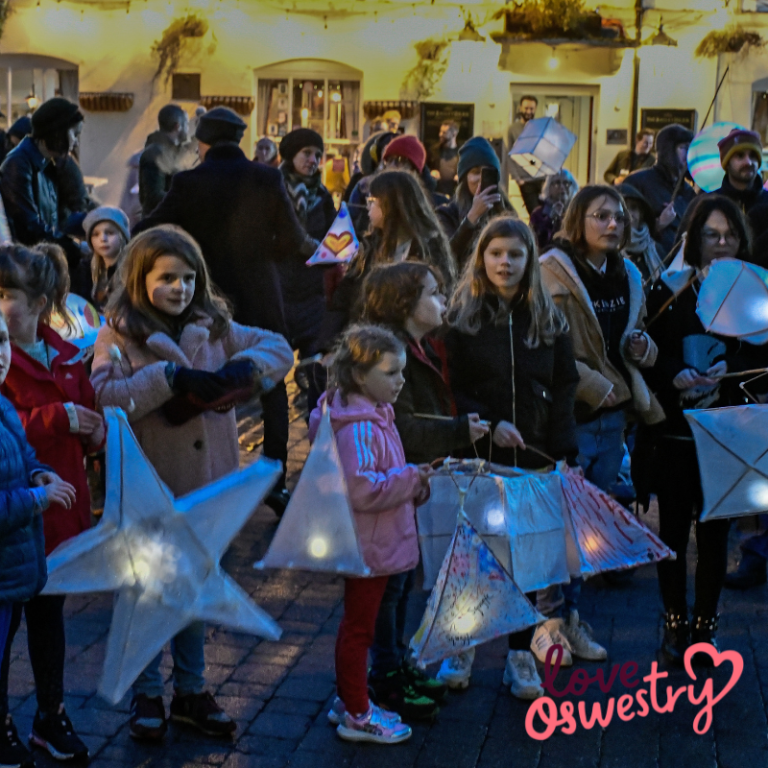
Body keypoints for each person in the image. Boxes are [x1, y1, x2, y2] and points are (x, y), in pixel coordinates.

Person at [90, 225, 294, 741]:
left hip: (208, 489)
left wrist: (241, 370)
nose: (179, 289)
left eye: (187, 278)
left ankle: (191, 690)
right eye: (166, 279)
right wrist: (169, 380)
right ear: (141, 280)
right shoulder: (117, 333)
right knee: (147, 593)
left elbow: (278, 347)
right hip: (150, 488)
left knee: (192, 592)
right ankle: (147, 695)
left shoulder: (214, 326)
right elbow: (105, 396)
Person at [133, 106, 317, 516]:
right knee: (271, 383)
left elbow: (150, 228)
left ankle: (209, 475)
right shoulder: (267, 177)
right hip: (261, 294)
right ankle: (274, 478)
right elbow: (291, 240)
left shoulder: (188, 181)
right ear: (240, 140)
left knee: (207, 380)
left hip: (206, 297)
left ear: (202, 142)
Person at [445, 215, 579, 697]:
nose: (505, 262)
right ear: (481, 258)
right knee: (475, 556)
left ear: (529, 260)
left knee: (526, 560)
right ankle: (462, 644)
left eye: (516, 254)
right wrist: (485, 422)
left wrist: (563, 449)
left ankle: (520, 655)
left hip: (535, 457)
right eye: (496, 253)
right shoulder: (462, 319)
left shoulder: (548, 318)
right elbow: (453, 387)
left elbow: (564, 385)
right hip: (479, 455)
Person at [540, 186, 664, 653]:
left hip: (615, 420)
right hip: (571, 415)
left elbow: (640, 339)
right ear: (578, 221)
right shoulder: (552, 272)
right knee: (560, 524)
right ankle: (549, 625)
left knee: (588, 525)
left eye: (618, 218)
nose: (613, 225)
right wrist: (592, 384)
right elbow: (549, 342)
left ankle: (572, 618)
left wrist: (642, 349)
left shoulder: (629, 273)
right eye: (601, 216)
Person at [361, 262, 486, 712]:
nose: (442, 300)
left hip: (410, 482)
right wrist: (458, 431)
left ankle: (397, 664)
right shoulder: (393, 353)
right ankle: (387, 674)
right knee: (391, 587)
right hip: (396, 483)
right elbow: (404, 426)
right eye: (433, 293)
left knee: (401, 582)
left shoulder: (420, 345)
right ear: (404, 304)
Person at [0, 242, 102, 763]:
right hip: (14, 523)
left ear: (40, 302)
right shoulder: (2, 361)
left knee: (48, 622)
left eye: (6, 294)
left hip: (59, 516)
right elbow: (13, 429)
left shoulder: (63, 353)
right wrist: (59, 418)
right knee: (4, 626)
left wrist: (98, 432)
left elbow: (86, 410)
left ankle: (50, 713)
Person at [642, 195, 752, 665]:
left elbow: (761, 360)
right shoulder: (668, 290)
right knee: (670, 533)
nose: (722, 242)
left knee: (714, 536)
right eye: (712, 234)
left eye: (729, 235)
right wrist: (672, 373)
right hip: (674, 434)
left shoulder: (752, 294)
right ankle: (674, 622)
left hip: (727, 434)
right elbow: (647, 352)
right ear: (695, 238)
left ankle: (706, 628)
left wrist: (738, 361)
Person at [312, 324, 429, 745]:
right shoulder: (360, 426)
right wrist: (410, 478)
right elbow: (363, 487)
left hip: (372, 540)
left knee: (357, 625)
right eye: (391, 373)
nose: (401, 381)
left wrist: (409, 482)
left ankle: (351, 698)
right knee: (360, 627)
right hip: (369, 545)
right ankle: (359, 713)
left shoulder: (373, 414)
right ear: (361, 376)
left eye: (401, 372)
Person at [0, 310, 75, 768]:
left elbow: (23, 453)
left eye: (3, 341)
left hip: (14, 566)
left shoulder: (3, 404)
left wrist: (37, 471)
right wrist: (35, 498)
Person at [321, 169, 456, 350]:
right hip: (369, 346)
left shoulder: (429, 248)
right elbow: (346, 299)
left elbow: (440, 303)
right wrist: (330, 346)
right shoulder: (370, 246)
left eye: (373, 201)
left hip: (416, 347)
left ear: (392, 205)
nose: (368, 206)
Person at [276, 128, 336, 408]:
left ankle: (318, 436)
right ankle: (275, 446)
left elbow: (334, 240)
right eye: (307, 153)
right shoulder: (274, 190)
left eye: (318, 155)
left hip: (312, 294)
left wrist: (337, 248)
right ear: (291, 154)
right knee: (274, 370)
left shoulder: (322, 195)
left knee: (316, 369)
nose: (314, 160)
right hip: (279, 292)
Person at [0, 98, 87, 273]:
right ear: (57, 132)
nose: (76, 142)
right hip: (25, 266)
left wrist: (94, 223)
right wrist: (74, 249)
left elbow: (58, 217)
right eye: (74, 134)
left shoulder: (47, 162)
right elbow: (28, 226)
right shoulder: (19, 163)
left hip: (39, 261)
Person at [436, 136, 516, 269]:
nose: (481, 179)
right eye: (476, 172)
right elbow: (446, 258)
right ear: (464, 178)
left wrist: (502, 216)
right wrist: (472, 218)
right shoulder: (447, 214)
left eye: (487, 173)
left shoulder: (506, 211)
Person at [349, 134, 446, 234]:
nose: (393, 166)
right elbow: (348, 223)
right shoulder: (366, 189)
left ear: (414, 170)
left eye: (400, 160)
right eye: (389, 160)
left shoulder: (433, 203)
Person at [626, 123, 695, 256]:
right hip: (647, 267)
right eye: (683, 148)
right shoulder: (638, 182)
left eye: (690, 148)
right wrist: (658, 224)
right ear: (668, 150)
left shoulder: (688, 192)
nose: (688, 153)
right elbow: (624, 231)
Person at [712, 128, 768, 239]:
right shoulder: (710, 202)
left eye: (753, 156)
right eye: (740, 156)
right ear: (727, 163)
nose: (748, 162)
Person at [73, 205, 131, 310]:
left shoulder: (133, 267)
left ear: (122, 236)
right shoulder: (86, 269)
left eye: (110, 233)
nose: (103, 239)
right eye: (95, 234)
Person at [139, 104, 189, 217]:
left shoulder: (170, 152)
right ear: (178, 126)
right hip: (158, 224)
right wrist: (187, 198)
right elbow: (154, 196)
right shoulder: (156, 153)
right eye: (186, 124)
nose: (188, 128)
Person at [616, 183, 664, 290]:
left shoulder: (657, 250)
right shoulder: (603, 252)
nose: (629, 214)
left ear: (642, 214)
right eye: (623, 208)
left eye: (633, 208)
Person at [507, 95, 544, 215]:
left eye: (531, 109)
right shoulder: (512, 129)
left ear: (535, 109)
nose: (529, 111)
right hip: (525, 180)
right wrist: (518, 178)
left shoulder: (540, 127)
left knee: (545, 213)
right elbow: (509, 155)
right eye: (526, 108)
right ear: (520, 108)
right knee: (534, 213)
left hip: (543, 179)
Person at [529, 169, 579, 251]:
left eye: (566, 183)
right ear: (549, 187)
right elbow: (535, 241)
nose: (562, 187)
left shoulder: (578, 212)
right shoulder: (539, 213)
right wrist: (551, 219)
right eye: (557, 183)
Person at [428, 120, 460, 196]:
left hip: (455, 194)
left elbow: (469, 173)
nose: (440, 135)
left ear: (453, 134)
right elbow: (424, 169)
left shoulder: (462, 153)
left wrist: (461, 176)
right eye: (440, 132)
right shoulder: (433, 150)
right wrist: (431, 172)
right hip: (436, 193)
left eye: (444, 133)